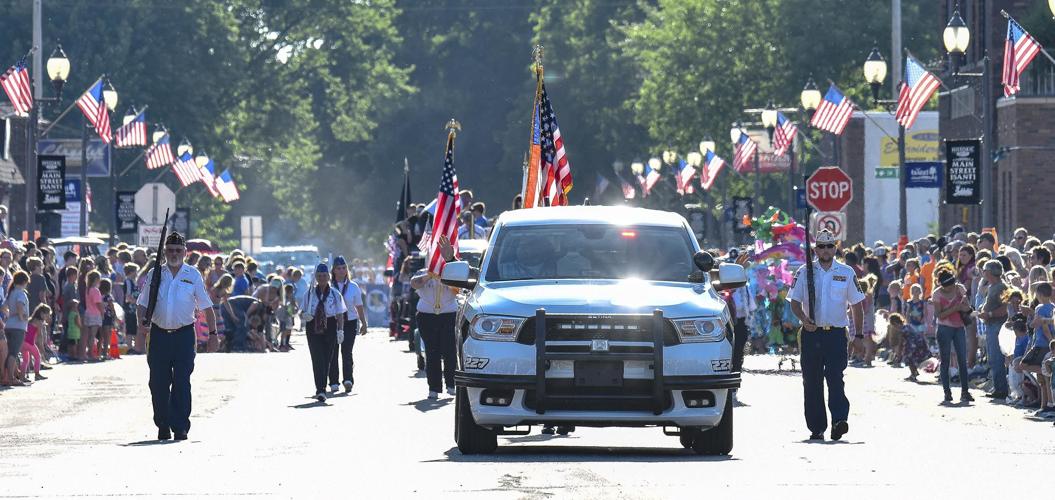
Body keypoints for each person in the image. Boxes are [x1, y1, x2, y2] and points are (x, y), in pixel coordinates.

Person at [137, 232, 217, 441]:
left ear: (185, 252)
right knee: (158, 383)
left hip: (183, 336)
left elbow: (207, 307)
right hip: (159, 335)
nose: (174, 254)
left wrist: (213, 334)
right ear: (165, 252)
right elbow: (142, 303)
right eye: (170, 250)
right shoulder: (155, 274)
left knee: (182, 381)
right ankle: (163, 423)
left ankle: (180, 426)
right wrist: (141, 325)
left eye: (178, 251)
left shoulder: (193, 275)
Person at [788, 230, 865, 441]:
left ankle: (839, 420)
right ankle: (817, 427)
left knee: (835, 377)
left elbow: (857, 305)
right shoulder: (804, 272)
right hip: (811, 334)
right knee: (811, 381)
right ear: (815, 249)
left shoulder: (846, 272)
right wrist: (804, 319)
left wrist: (859, 335)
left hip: (836, 334)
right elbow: (794, 302)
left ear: (835, 248)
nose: (825, 250)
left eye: (829, 246)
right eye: (821, 246)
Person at [411, 234, 460, 400]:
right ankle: (434, 387)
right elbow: (414, 283)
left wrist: (449, 264)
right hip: (427, 317)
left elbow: (457, 289)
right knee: (432, 352)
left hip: (447, 315)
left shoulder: (453, 271)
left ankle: (451, 384)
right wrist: (430, 275)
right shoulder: (423, 273)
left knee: (449, 351)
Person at [300, 262, 347, 402]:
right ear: (315, 277)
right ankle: (320, 389)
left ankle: (323, 385)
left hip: (330, 325)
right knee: (317, 357)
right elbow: (302, 311)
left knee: (327, 357)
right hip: (313, 326)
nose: (321, 278)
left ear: (328, 277)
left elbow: (339, 314)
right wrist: (304, 316)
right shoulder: (309, 293)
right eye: (319, 276)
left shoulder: (335, 293)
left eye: (324, 276)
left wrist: (340, 330)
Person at [932, 266, 974, 403]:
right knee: (945, 361)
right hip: (944, 328)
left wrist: (964, 306)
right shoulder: (937, 294)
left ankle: (965, 391)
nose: (949, 289)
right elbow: (940, 315)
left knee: (962, 360)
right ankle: (947, 392)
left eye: (951, 285)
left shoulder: (960, 289)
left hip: (959, 327)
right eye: (946, 286)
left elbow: (967, 307)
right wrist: (955, 308)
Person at [330, 256, 368, 393]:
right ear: (333, 270)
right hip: (332, 322)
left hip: (350, 322)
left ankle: (348, 379)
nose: (341, 271)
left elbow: (359, 306)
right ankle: (333, 381)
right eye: (338, 268)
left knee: (347, 351)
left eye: (344, 268)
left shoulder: (353, 286)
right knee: (333, 352)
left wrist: (364, 323)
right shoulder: (329, 286)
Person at [978, 260, 1010, 400]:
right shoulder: (992, 286)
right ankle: (998, 386)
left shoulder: (1001, 287)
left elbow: (1005, 309)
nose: (983, 272)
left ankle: (1001, 389)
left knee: (997, 357)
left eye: (984, 270)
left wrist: (989, 314)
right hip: (992, 325)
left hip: (998, 326)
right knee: (993, 357)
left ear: (990, 272)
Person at [1023, 282, 1055, 417]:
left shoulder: (1040, 308)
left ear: (1040, 294)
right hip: (1049, 343)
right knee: (1043, 379)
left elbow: (1035, 325)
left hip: (1041, 344)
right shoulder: (1053, 307)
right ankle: (1045, 405)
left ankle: (1048, 405)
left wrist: (1029, 315)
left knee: (1023, 365)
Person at [3, 271, 30, 385]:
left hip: (9, 325)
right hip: (18, 326)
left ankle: (7, 376)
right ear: (24, 282)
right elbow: (20, 305)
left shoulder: (11, 292)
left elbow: (3, 307)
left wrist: (10, 315)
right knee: (13, 353)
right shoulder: (21, 293)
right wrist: (21, 316)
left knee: (9, 352)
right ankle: (11, 378)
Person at [21, 304, 50, 381]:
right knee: (38, 357)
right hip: (30, 343)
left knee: (25, 360)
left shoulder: (30, 320)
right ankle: (37, 374)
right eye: (46, 315)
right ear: (42, 314)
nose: (47, 317)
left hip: (23, 342)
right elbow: (40, 335)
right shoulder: (39, 322)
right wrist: (41, 347)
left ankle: (22, 376)